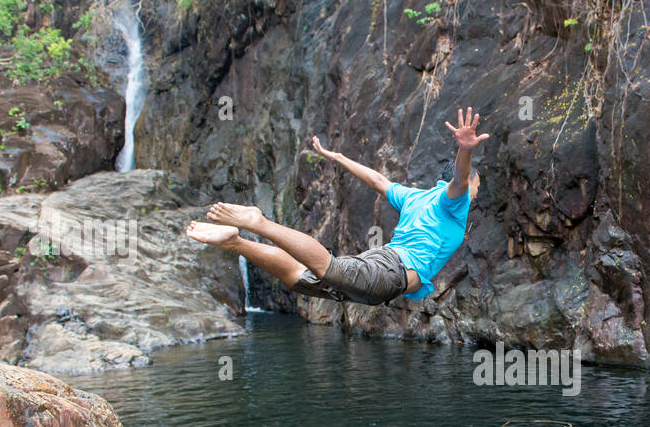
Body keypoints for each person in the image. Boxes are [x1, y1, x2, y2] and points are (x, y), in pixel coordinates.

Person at [185, 107, 488, 305]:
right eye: (478, 184)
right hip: (392, 271)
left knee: (297, 276)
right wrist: (464, 151)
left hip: (383, 265)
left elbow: (377, 181)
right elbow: (460, 181)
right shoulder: (454, 202)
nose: (475, 189)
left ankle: (236, 242)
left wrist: (339, 158)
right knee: (326, 266)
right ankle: (258, 222)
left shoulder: (416, 196)